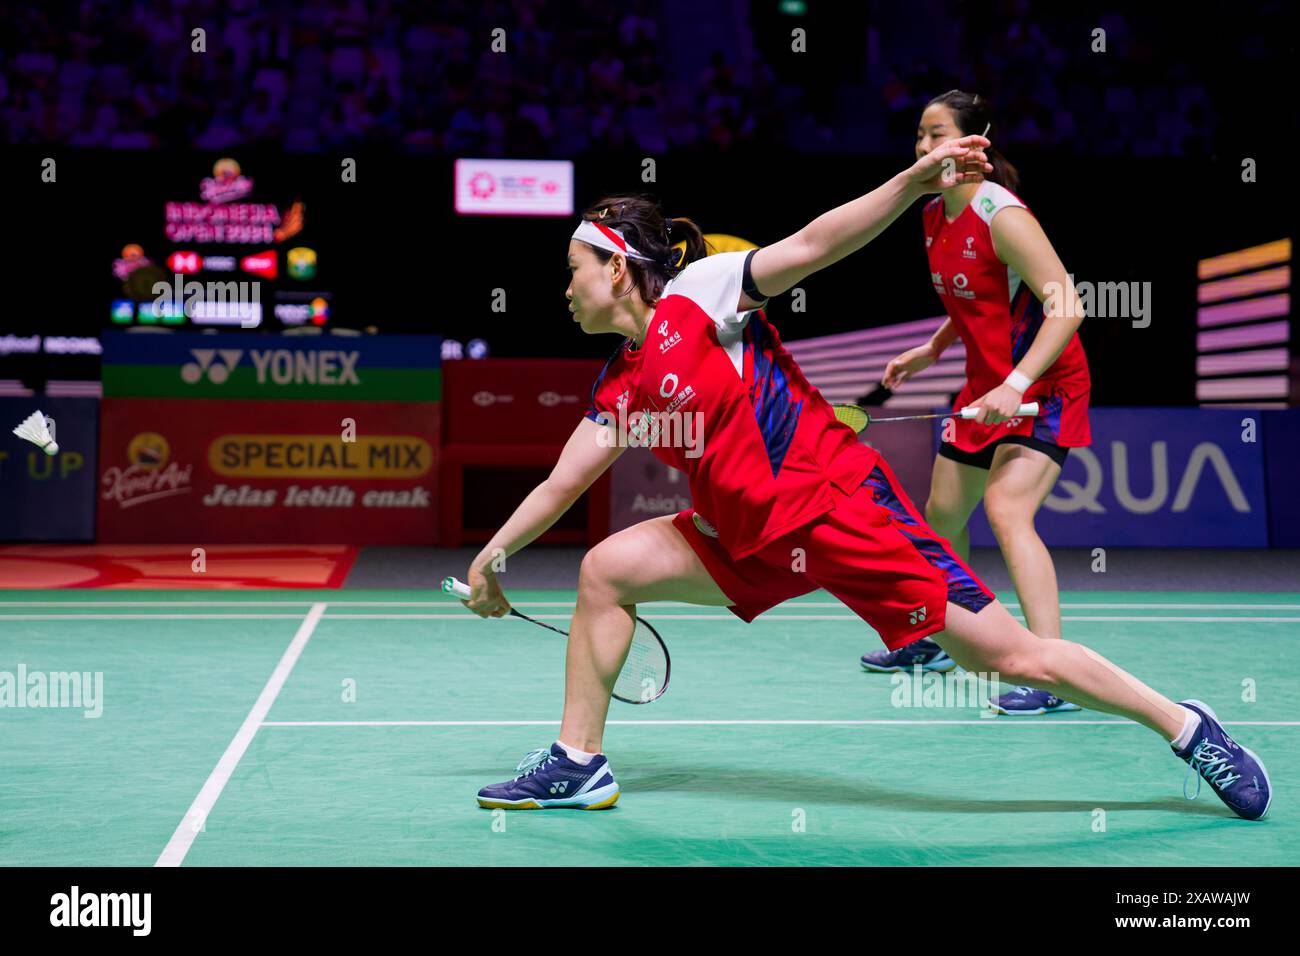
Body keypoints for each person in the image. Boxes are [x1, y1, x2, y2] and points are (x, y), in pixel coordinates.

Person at [461, 135, 1270, 821]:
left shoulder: (699, 295)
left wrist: (911, 182)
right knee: (606, 570)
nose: (564, 287)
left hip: (838, 513)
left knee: (1012, 658)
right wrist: (490, 559)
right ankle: (579, 761)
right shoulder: (620, 383)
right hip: (744, 537)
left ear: (615, 267)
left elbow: (817, 241)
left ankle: (1187, 728)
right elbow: (559, 484)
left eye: (573, 268)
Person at [861, 91, 1091, 717]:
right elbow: (977, 301)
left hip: (1043, 386)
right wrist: (929, 350)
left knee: (1008, 510)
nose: (924, 148)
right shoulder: (934, 215)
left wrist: (1016, 385)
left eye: (937, 135)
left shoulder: (1003, 216)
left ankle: (1051, 674)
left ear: (973, 143)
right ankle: (936, 637)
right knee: (939, 516)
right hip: (984, 386)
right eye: (919, 136)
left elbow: (1066, 305)